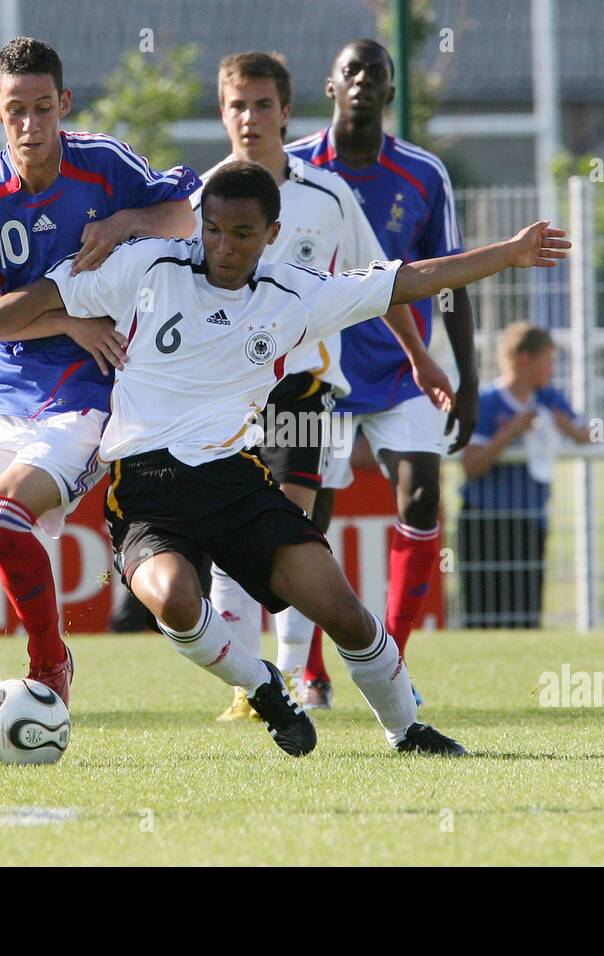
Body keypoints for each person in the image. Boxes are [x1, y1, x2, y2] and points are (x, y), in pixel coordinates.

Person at [0, 161, 571, 758]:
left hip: (234, 484)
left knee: (340, 610)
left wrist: (509, 254)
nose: (225, 248)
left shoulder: (296, 294)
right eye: (214, 230)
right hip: (145, 492)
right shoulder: (147, 265)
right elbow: (38, 299)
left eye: (243, 234)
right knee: (171, 598)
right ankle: (262, 685)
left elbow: (410, 279)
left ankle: (407, 729)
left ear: (271, 232)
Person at [0, 37, 198, 758]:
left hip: (85, 394)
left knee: (1, 515)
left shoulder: (103, 164)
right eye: (16, 111)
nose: (31, 125)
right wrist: (66, 319)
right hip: (8, 395)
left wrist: (128, 222)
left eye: (43, 108)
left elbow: (187, 218)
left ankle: (51, 667)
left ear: (63, 105)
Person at [187, 50, 452, 721]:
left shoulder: (329, 196)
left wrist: (418, 355)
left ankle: (298, 679)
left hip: (306, 387)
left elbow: (380, 281)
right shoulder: (195, 203)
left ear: (285, 110)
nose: (250, 118)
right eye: (237, 105)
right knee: (228, 533)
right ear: (222, 112)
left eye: (263, 105)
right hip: (225, 390)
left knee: (291, 528)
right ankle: (248, 688)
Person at [286, 39, 478, 709]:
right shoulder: (295, 170)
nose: (364, 80)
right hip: (321, 371)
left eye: (377, 73)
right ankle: (307, 671)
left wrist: (470, 376)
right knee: (309, 517)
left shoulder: (425, 174)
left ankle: (388, 661)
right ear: (331, 87)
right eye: (352, 71)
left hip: (403, 371)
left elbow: (449, 280)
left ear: (390, 93)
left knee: (422, 493)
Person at [459, 323, 588, 629]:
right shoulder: (486, 401)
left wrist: (568, 428)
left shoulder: (549, 398)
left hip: (530, 521)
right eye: (548, 359)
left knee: (526, 617)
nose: (552, 368)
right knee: (482, 617)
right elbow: (471, 463)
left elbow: (589, 435)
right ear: (525, 359)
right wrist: (511, 431)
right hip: (485, 521)